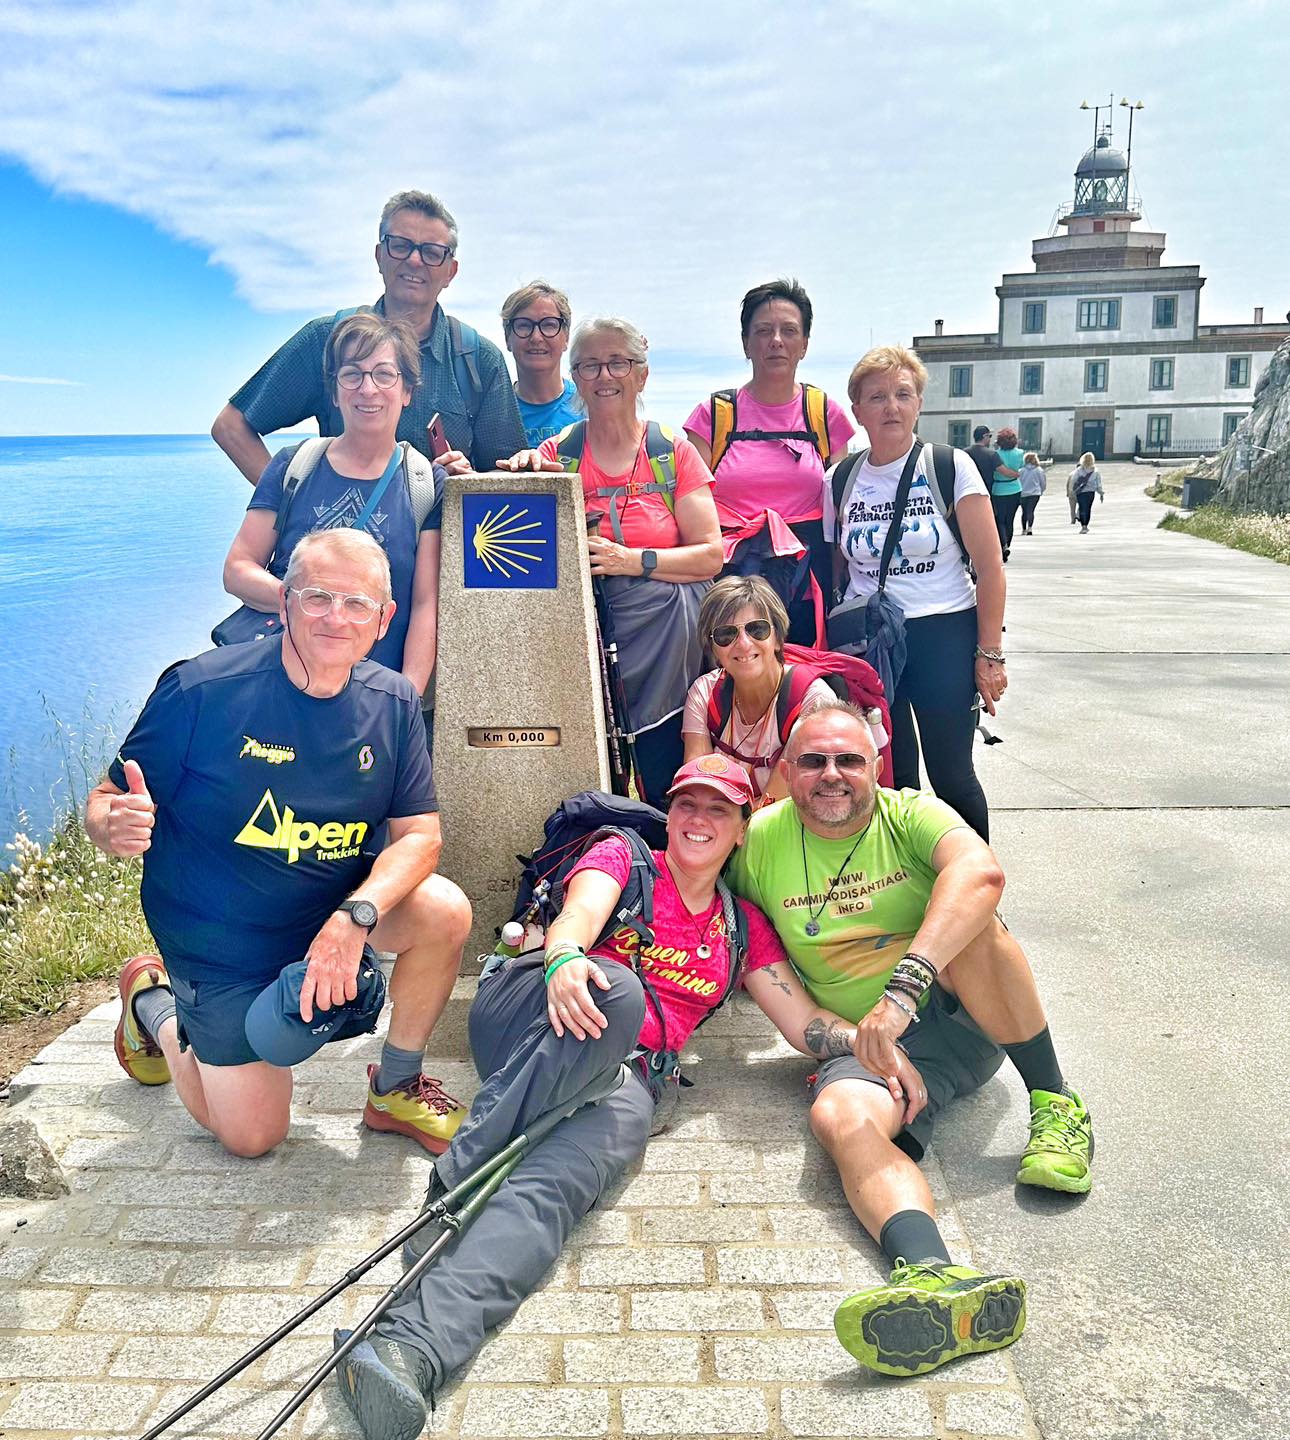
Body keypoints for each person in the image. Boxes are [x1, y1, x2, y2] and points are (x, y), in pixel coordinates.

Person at [332, 755, 793, 1439]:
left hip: (630, 1076)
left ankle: (410, 1349)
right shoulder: (626, 857)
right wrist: (567, 954)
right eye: (687, 804)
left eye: (718, 809)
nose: (698, 820)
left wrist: (875, 1036)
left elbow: (805, 1020)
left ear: (741, 828)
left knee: (552, 1192)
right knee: (623, 992)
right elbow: (580, 916)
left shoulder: (740, 924)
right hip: (536, 1009)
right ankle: (456, 1185)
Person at [727, 699, 1094, 1379]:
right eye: (812, 761)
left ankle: (1056, 1103)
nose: (830, 775)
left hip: (965, 1014)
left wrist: (902, 995)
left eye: (848, 760)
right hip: (865, 1048)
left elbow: (981, 871)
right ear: (785, 770)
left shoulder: (909, 814)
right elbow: (689, 903)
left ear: (876, 765)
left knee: (974, 920)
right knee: (836, 1116)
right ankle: (934, 1278)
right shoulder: (760, 843)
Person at [87, 530, 471, 1159]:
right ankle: (155, 1004)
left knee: (444, 908)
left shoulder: (392, 701)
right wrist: (113, 825)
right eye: (317, 597)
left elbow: (420, 836)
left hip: (327, 913)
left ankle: (396, 1086)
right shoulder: (199, 691)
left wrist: (356, 917)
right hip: (219, 940)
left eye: (356, 604)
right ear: (284, 602)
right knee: (253, 1137)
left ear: (384, 619)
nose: (335, 618)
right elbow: (103, 800)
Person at [500, 317, 723, 801]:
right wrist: (525, 476)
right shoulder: (557, 455)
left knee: (666, 762)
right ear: (575, 379)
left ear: (641, 375)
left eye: (618, 363)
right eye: (590, 366)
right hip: (590, 640)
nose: (605, 376)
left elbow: (711, 554)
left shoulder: (673, 453)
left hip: (670, 648)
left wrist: (633, 561)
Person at [212, 189, 525, 482]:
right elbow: (231, 427)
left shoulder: (479, 360)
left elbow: (509, 482)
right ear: (379, 256)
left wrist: (467, 482)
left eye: (432, 252)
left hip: (444, 541)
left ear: (450, 271)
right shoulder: (327, 341)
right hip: (344, 541)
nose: (414, 260)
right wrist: (287, 506)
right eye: (401, 245)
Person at [823, 346, 1005, 841]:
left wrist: (989, 654)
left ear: (919, 403)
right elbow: (836, 573)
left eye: (903, 395)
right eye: (876, 397)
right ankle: (909, 894)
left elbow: (990, 568)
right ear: (857, 409)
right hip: (873, 641)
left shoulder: (949, 466)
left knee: (952, 777)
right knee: (891, 779)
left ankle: (976, 893)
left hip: (943, 632)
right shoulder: (839, 480)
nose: (891, 407)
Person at [222, 311, 442, 705]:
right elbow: (238, 569)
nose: (367, 389)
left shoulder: (424, 483)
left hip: (372, 700)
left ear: (407, 391)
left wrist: (405, 698)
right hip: (280, 689)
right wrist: (312, 605)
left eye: (384, 374)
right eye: (352, 374)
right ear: (336, 392)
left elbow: (425, 603)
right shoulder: (294, 467)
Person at [683, 279, 853, 642]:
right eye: (763, 331)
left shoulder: (823, 414)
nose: (776, 340)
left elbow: (843, 511)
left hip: (806, 583)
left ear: (804, 344)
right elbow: (686, 506)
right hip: (728, 584)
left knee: (803, 682)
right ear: (746, 343)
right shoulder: (713, 416)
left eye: (789, 331)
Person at [682, 575, 835, 806]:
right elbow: (698, 789)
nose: (743, 644)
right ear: (713, 648)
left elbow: (774, 806)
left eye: (757, 629)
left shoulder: (813, 700)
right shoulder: (704, 693)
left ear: (778, 639)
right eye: (726, 634)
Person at [501, 280, 582, 446]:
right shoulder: (495, 413)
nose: (536, 337)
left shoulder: (588, 406)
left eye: (549, 325)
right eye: (524, 325)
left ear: (566, 337)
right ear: (508, 338)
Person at [991, 428, 1026, 561]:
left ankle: (1003, 545)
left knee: (1000, 520)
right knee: (1010, 520)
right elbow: (1021, 467)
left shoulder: (995, 454)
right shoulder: (1020, 453)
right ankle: (1008, 544)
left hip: (998, 488)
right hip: (1014, 488)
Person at [1070, 452, 1104, 533]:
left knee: (1082, 508)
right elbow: (1098, 484)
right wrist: (1101, 493)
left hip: (1081, 492)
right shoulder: (1095, 471)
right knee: (1088, 508)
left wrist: (1071, 490)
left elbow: (1073, 480)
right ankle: (1085, 525)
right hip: (1091, 493)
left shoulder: (1079, 470)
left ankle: (1083, 525)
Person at [1018, 452, 1047, 535]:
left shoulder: (1021, 471)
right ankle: (1030, 528)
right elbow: (1043, 482)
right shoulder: (1039, 470)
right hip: (1035, 493)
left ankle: (1023, 529)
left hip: (1023, 493)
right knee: (1031, 510)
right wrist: (1041, 490)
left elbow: (1019, 482)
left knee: (1024, 511)